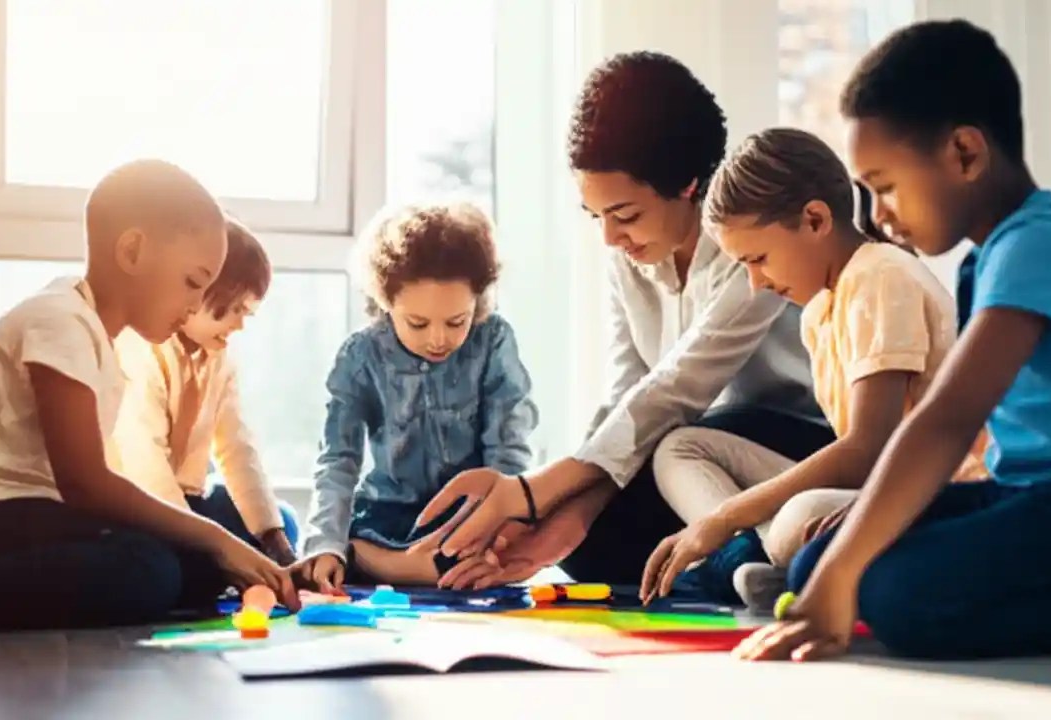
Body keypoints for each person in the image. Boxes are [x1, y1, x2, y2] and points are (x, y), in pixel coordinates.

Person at [736, 20, 1051, 661]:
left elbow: (946, 421)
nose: (875, 217)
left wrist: (853, 566)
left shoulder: (1043, 242)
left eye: (885, 186)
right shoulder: (981, 262)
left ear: (964, 153)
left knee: (899, 596)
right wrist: (850, 549)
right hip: (1024, 493)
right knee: (817, 559)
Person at [410, 51, 831, 592]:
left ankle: (739, 559)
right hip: (688, 457)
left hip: (786, 444)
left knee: (692, 432)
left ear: (687, 184)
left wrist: (534, 490)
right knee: (584, 547)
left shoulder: (749, 246)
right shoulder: (628, 260)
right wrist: (560, 520)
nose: (610, 237)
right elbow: (627, 394)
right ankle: (723, 565)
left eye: (625, 215)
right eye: (597, 217)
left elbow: (680, 388)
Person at [0, 160, 302, 635]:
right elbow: (85, 483)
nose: (197, 305)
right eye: (193, 282)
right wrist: (216, 538)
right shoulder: (60, 321)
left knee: (190, 570)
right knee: (149, 568)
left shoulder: (97, 337)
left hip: (35, 518)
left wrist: (216, 547)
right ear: (133, 251)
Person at [640, 128, 987, 610]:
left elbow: (868, 448)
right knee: (682, 447)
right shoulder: (819, 311)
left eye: (758, 259)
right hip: (876, 485)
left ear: (815, 219)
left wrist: (721, 518)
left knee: (794, 522)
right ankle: (744, 564)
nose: (757, 283)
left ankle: (752, 560)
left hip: (935, 491)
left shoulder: (880, 277)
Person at [298, 201, 538, 591]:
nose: (439, 339)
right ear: (385, 301)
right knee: (350, 540)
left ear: (478, 301)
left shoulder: (493, 340)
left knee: (504, 552)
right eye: (418, 323)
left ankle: (395, 567)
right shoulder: (361, 355)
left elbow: (507, 450)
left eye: (457, 321)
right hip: (388, 515)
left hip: (469, 516)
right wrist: (325, 544)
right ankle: (394, 562)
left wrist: (499, 526)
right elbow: (338, 459)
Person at [113, 217, 300, 567]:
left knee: (283, 522)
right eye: (236, 309)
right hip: (139, 507)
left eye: (249, 314)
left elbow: (237, 448)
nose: (241, 325)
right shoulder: (140, 347)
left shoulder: (219, 357)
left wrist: (276, 544)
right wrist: (203, 544)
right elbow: (144, 463)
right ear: (197, 291)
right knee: (161, 569)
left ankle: (207, 568)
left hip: (189, 500)